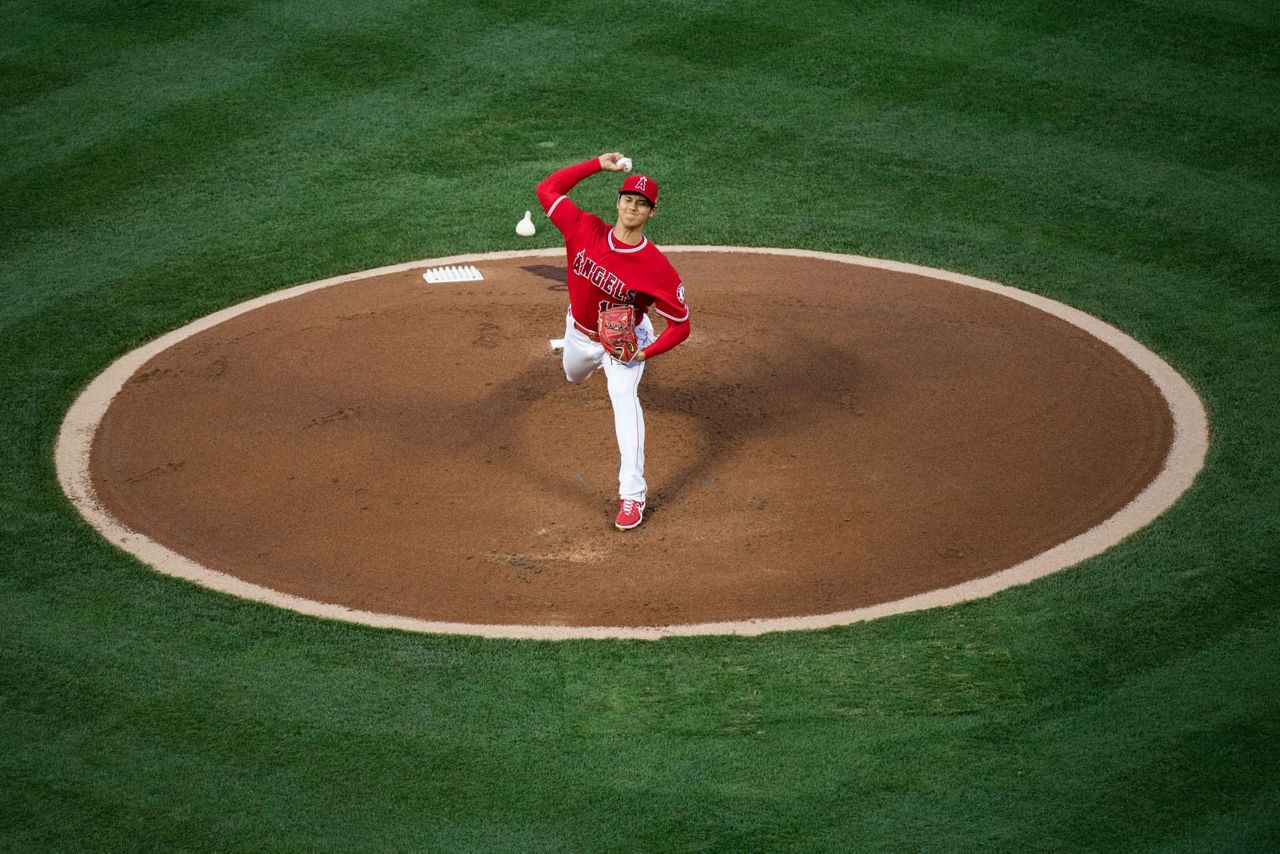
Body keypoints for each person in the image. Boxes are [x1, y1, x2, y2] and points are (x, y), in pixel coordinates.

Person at [536, 152, 691, 530]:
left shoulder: (656, 267)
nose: (633, 207)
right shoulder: (582, 227)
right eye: (628, 199)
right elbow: (547, 188)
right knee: (573, 376)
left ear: (652, 213)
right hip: (579, 332)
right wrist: (595, 165)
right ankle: (588, 357)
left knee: (624, 399)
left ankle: (633, 497)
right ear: (618, 202)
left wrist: (644, 351)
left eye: (642, 204)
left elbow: (682, 325)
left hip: (625, 342)